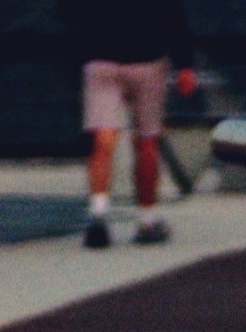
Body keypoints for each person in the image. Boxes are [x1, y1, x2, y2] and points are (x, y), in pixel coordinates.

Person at [63, 0, 190, 245]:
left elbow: (69, 12)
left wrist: (81, 51)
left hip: (101, 60)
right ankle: (147, 220)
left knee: (102, 137)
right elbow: (173, 16)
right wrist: (185, 63)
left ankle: (98, 213)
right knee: (147, 141)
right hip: (147, 59)